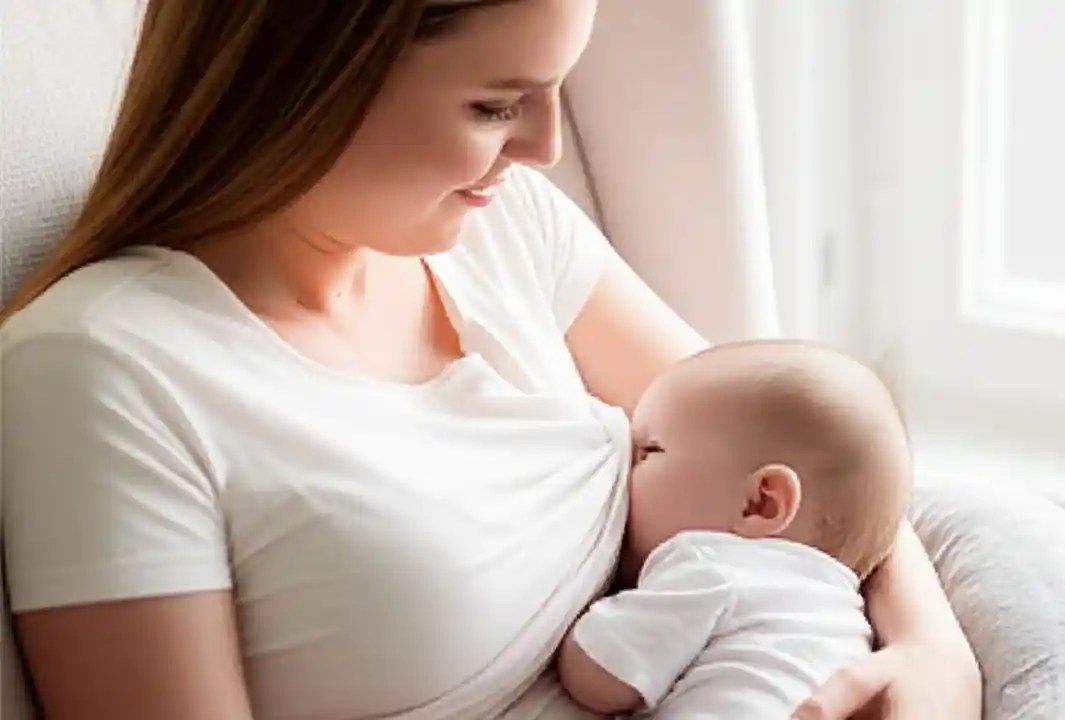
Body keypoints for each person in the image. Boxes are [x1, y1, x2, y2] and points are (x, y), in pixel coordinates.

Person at [0, 2, 980, 718]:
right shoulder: (103, 377)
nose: (547, 147)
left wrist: (931, 655)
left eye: (555, 90)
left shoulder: (500, 231)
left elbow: (805, 453)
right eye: (494, 105)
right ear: (305, 84)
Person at [557, 340, 913, 718]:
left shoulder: (709, 567)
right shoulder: (847, 619)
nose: (627, 463)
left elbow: (596, 676)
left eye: (649, 451)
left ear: (760, 503)